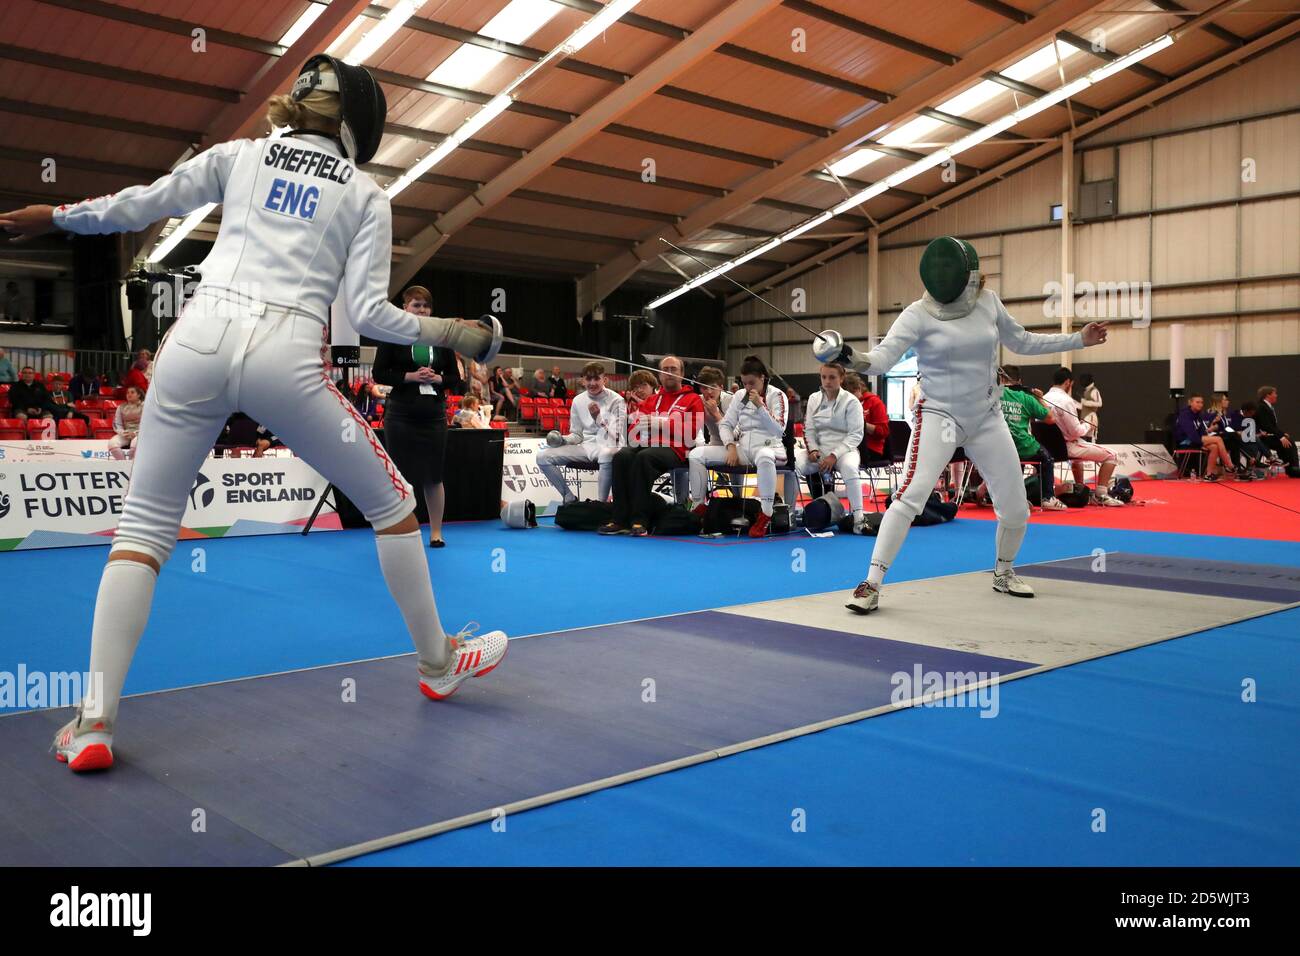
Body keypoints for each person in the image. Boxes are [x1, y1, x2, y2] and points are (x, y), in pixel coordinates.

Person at [1, 53, 509, 772]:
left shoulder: (239, 156)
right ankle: (437, 663)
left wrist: (54, 214)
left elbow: (139, 204)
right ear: (362, 123)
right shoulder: (365, 193)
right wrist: (458, 334)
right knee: (394, 506)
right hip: (284, 354)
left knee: (143, 532)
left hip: (195, 344)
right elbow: (368, 314)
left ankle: (92, 724)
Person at [811, 236, 1109, 614]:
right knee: (909, 498)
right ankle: (871, 583)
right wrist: (849, 357)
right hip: (939, 415)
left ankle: (1003, 572)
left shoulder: (988, 302)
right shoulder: (917, 313)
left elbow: (1023, 341)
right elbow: (882, 360)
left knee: (1017, 508)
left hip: (987, 416)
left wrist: (1078, 339)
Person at [372, 285, 464, 548]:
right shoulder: (392, 335)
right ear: (405, 308)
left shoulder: (442, 339)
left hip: (434, 415)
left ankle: (436, 532)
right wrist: (410, 377)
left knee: (433, 476)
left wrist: (438, 378)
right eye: (416, 305)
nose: (421, 309)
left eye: (425, 305)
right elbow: (379, 373)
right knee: (400, 476)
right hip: (400, 414)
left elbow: (456, 379)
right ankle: (403, 530)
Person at [601, 355, 703, 536]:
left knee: (644, 457)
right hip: (646, 444)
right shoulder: (652, 400)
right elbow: (634, 427)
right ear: (660, 375)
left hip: (675, 448)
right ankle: (619, 519)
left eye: (674, 369)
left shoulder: (693, 399)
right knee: (622, 456)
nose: (669, 373)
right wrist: (643, 426)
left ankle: (640, 520)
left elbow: (691, 430)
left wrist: (660, 423)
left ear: (682, 374)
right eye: (666, 370)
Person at [536, 361, 625, 503]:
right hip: (586, 447)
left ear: (605, 380)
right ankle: (569, 497)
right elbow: (577, 435)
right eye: (588, 379)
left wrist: (598, 419)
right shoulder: (578, 400)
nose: (592, 383)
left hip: (610, 445)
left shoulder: (617, 400)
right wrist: (563, 440)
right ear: (583, 380)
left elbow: (617, 436)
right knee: (542, 457)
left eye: (597, 379)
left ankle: (601, 504)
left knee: (606, 454)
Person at [799, 363, 866, 530]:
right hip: (820, 450)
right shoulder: (814, 399)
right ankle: (789, 514)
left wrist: (834, 455)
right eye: (824, 377)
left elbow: (856, 435)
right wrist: (813, 449)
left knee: (850, 468)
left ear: (841, 378)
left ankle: (859, 518)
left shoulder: (852, 402)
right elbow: (809, 429)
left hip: (845, 451)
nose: (827, 381)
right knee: (793, 465)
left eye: (832, 377)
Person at [1043, 368, 1124, 503]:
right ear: (1068, 382)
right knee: (1112, 455)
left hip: (1047, 449)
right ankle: (1100, 495)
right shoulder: (1066, 401)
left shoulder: (1043, 398)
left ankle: (1080, 490)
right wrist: (1088, 426)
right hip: (1066, 447)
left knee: (1077, 460)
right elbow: (1075, 432)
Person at [994, 365, 1066, 509]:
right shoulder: (1026, 398)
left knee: (1014, 462)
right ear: (1019, 380)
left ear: (1001, 378)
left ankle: (1014, 498)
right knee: (1047, 459)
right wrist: (1040, 398)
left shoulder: (994, 395)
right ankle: (1048, 498)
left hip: (999, 447)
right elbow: (1051, 418)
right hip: (1023, 446)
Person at [1174, 393, 1232, 480]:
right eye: (1197, 402)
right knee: (1218, 439)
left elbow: (1201, 431)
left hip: (1196, 439)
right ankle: (1229, 465)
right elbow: (1191, 434)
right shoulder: (1184, 415)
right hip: (1185, 441)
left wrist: (1210, 429)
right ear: (1190, 402)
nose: (1200, 404)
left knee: (1214, 447)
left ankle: (1208, 474)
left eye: (1201, 402)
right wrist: (1201, 444)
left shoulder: (1198, 414)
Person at [1255, 386, 1299, 476]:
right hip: (1262, 437)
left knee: (1286, 441)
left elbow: (1272, 426)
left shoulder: (1267, 406)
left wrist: (1282, 434)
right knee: (1288, 442)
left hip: (1268, 435)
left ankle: (1291, 469)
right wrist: (1281, 436)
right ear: (1268, 395)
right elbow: (1266, 426)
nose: (1276, 395)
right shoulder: (1261, 407)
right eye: (1274, 393)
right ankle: (1293, 469)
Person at [106, 386, 145, 459]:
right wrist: (124, 433)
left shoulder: (145, 406)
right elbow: (117, 424)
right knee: (112, 444)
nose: (129, 394)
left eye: (132, 392)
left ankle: (132, 466)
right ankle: (123, 465)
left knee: (134, 444)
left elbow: (147, 424)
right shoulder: (121, 407)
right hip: (127, 433)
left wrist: (136, 433)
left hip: (142, 433)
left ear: (139, 395)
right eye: (127, 393)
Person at [1078, 372, 1102, 439]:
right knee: (1084, 437)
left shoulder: (1095, 391)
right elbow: (1083, 406)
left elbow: (1099, 403)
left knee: (1090, 438)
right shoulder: (1086, 391)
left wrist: (1086, 402)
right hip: (1084, 417)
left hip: (1091, 417)